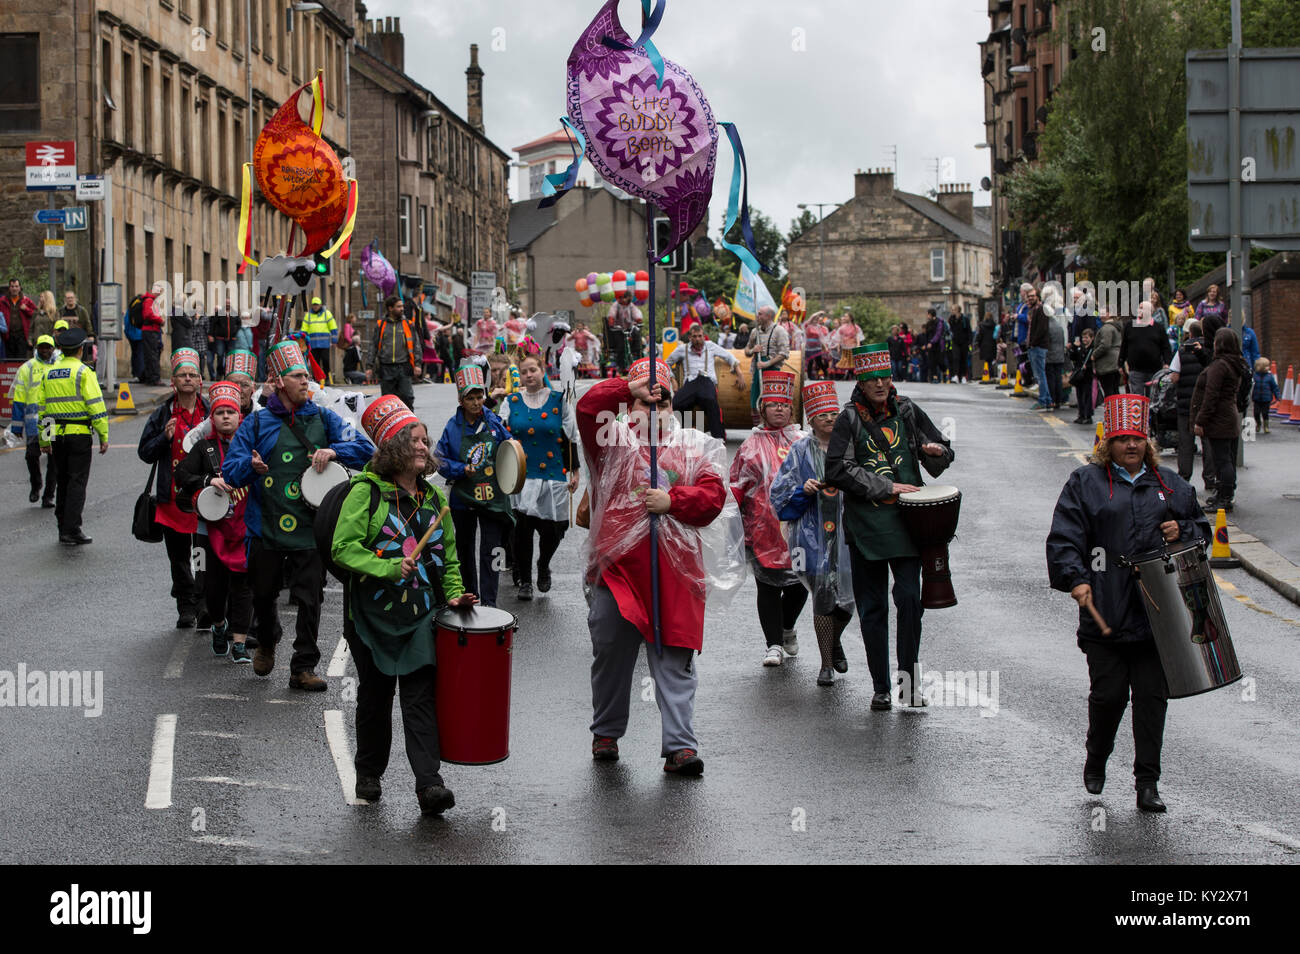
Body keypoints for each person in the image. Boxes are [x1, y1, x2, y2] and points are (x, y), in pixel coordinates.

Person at [1047, 394, 1211, 813]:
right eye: (1121, 439)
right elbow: (1065, 539)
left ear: (1147, 442)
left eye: (1137, 438)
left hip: (1158, 618)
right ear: (1108, 444)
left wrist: (1184, 530)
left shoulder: (1171, 484)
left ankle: (1147, 783)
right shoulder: (1085, 483)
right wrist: (1075, 580)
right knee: (1109, 695)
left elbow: (1200, 534)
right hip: (1104, 610)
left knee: (1152, 699)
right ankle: (1097, 756)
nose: (1131, 446)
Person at [576, 357, 730, 774]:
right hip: (618, 570)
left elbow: (714, 498)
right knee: (609, 652)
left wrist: (674, 501)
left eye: (661, 402)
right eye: (646, 402)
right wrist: (629, 387)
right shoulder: (609, 440)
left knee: (674, 658)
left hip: (676, 574)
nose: (653, 410)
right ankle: (605, 733)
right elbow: (587, 408)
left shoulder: (695, 445)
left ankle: (680, 746)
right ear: (631, 406)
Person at [333, 395, 477, 815]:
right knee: (375, 698)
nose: (422, 446)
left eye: (424, 440)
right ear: (394, 447)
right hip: (371, 618)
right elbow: (344, 549)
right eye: (413, 440)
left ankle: (429, 784)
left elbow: (448, 559)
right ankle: (369, 772)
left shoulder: (434, 502)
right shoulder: (366, 494)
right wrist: (390, 568)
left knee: (418, 698)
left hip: (419, 619)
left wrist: (453, 593)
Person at [223, 340, 373, 689]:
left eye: (306, 374)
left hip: (312, 528)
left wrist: (334, 450)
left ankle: (303, 666)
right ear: (278, 382)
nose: (306, 381)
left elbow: (365, 449)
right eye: (298, 375)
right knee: (262, 593)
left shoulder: (323, 417)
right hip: (265, 526)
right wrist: (250, 465)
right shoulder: (257, 424)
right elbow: (230, 470)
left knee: (310, 598)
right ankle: (269, 638)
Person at [825, 342, 954, 711]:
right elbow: (835, 469)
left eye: (885, 376)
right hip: (866, 526)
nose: (880, 383)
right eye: (872, 378)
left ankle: (909, 685)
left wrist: (937, 453)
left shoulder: (908, 411)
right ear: (860, 381)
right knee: (873, 607)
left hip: (909, 523)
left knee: (911, 600)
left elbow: (943, 452)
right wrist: (886, 486)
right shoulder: (848, 419)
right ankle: (881, 686)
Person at [770, 380, 854, 685]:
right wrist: (801, 490)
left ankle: (834, 640)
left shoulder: (851, 444)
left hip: (848, 532)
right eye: (822, 415)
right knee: (822, 596)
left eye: (833, 413)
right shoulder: (800, 449)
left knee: (848, 599)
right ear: (811, 420)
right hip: (811, 534)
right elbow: (779, 491)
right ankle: (826, 664)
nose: (830, 419)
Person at [173, 381, 256, 663]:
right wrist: (209, 480)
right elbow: (181, 475)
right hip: (210, 530)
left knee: (243, 584)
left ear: (239, 416)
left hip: (245, 527)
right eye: (219, 412)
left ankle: (240, 642)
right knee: (214, 586)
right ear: (212, 418)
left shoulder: (251, 446)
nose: (225, 417)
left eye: (230, 412)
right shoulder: (203, 448)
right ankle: (219, 625)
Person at [730, 370, 806, 667]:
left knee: (801, 584)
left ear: (791, 409)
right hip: (761, 529)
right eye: (773, 405)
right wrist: (731, 525)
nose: (779, 409)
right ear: (763, 409)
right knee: (769, 587)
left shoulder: (803, 441)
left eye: (784, 405)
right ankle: (773, 644)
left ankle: (787, 627)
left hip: (799, 528)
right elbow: (736, 485)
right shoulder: (750, 445)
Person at [138, 348, 211, 625]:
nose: (188, 379)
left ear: (200, 381)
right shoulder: (162, 414)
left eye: (193, 374)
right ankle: (186, 607)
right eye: (182, 375)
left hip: (203, 498)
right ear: (173, 381)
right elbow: (144, 453)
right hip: (171, 500)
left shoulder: (209, 411)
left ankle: (204, 603)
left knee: (201, 554)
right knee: (179, 557)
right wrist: (164, 438)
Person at [500, 352, 580, 600]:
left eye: (533, 370)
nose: (529, 375)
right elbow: (501, 438)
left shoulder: (558, 400)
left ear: (542, 369)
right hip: (522, 475)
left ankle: (543, 564)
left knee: (554, 530)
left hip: (555, 473)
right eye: (523, 372)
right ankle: (526, 581)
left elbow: (571, 437)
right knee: (522, 530)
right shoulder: (510, 402)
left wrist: (575, 470)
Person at [435, 363, 514, 608]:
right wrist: (461, 469)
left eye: (480, 396)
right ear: (461, 400)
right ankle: (471, 596)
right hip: (463, 498)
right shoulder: (452, 427)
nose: (477, 402)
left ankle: (490, 603)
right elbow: (439, 460)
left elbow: (510, 447)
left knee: (492, 551)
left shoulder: (492, 421)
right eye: (471, 398)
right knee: (464, 549)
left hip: (492, 496)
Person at [36, 326, 109, 545]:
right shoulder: (83, 372)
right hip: (78, 435)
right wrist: (103, 435)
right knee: (77, 482)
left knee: (63, 481)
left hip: (57, 436)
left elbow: (43, 410)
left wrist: (45, 439)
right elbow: (96, 406)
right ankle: (72, 528)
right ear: (80, 350)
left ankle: (62, 528)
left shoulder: (49, 373)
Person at [1193, 328, 1250, 513]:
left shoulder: (1220, 365)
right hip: (1229, 416)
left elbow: (1211, 395)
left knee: (1222, 459)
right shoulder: (1235, 363)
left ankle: (1224, 498)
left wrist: (1201, 420)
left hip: (1219, 418)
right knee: (1227, 458)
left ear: (1219, 344)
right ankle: (1224, 493)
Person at [666, 321, 746, 439]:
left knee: (711, 402)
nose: (698, 339)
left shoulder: (711, 346)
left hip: (707, 381)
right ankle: (682, 435)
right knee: (676, 403)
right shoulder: (683, 349)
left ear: (704, 337)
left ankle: (718, 438)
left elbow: (729, 357)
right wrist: (673, 380)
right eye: (694, 336)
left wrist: (740, 374)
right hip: (691, 382)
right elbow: (666, 363)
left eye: (700, 336)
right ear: (690, 337)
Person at [8, 333, 58, 506]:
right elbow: (19, 399)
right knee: (31, 456)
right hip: (32, 422)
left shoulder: (59, 367)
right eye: (41, 347)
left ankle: (49, 495)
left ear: (53, 349)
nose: (45, 350)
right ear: (36, 349)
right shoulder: (27, 368)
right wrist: (16, 427)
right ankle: (36, 485)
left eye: (48, 347)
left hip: (50, 420)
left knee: (53, 459)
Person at [1169, 319, 1211, 489]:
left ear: (1190, 333)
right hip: (1205, 403)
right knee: (1207, 442)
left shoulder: (1182, 350)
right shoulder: (1209, 349)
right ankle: (1209, 478)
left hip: (1186, 403)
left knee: (1186, 442)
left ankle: (1184, 478)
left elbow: (1175, 376)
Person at [369, 294, 421, 410]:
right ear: (390, 308)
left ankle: (409, 424)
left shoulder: (408, 324)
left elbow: (416, 345)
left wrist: (417, 364)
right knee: (388, 401)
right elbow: (373, 346)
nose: (402, 309)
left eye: (402, 306)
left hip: (403, 366)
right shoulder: (381, 325)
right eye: (398, 307)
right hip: (386, 367)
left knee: (407, 397)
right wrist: (369, 366)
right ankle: (391, 425)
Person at [744, 305, 790, 417]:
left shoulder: (779, 331)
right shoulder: (755, 331)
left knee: (771, 403)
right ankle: (758, 429)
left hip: (773, 371)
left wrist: (766, 364)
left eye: (760, 314)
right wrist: (752, 350)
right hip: (757, 370)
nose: (757, 316)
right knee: (755, 403)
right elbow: (746, 350)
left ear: (769, 316)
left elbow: (784, 353)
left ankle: (770, 428)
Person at [1120, 301, 1171, 398]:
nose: (1140, 310)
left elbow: (1165, 347)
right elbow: (1124, 345)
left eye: (1143, 308)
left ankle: (1150, 413)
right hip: (1135, 368)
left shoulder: (1158, 328)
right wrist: (1120, 363)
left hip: (1154, 369)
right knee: (1137, 398)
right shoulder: (1130, 326)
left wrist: (1167, 362)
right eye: (1139, 307)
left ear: (1150, 311)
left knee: (1152, 398)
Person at [605, 289, 643, 375]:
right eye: (626, 298)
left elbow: (636, 313)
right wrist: (611, 321)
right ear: (622, 298)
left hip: (629, 328)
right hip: (618, 329)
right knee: (620, 345)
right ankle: (620, 365)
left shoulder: (631, 306)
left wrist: (638, 319)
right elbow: (612, 314)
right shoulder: (616, 305)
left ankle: (636, 355)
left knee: (636, 334)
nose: (627, 301)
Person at [1026, 287, 1052, 410]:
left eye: (1032, 296)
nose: (1030, 298)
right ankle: (1047, 399)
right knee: (1040, 374)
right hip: (1036, 346)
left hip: (1038, 347)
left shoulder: (1041, 310)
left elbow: (1042, 329)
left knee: (1040, 374)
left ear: (1038, 297)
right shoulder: (1035, 310)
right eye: (1029, 296)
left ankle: (1043, 400)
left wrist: (1033, 343)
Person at [301, 296, 338, 383]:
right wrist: (302, 340)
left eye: (317, 305)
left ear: (320, 305)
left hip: (324, 343)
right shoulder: (308, 316)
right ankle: (316, 379)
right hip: (313, 344)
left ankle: (327, 378)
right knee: (315, 363)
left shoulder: (327, 314)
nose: (315, 306)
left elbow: (333, 328)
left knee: (326, 361)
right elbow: (304, 330)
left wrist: (334, 341)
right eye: (314, 305)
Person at [1, 278, 38, 361]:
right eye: (12, 286)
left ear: (20, 288)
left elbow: (35, 315)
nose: (14, 288)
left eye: (16, 286)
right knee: (9, 360)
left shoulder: (26, 300)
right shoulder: (2, 301)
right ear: (9, 288)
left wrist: (26, 309)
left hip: (22, 334)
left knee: (21, 359)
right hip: (8, 335)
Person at [1092, 308, 1123, 398]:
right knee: (1115, 389)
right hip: (1116, 361)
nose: (1100, 315)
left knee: (1109, 391)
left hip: (1107, 364)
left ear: (1109, 314)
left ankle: (1110, 411)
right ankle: (1116, 410)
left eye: (1103, 313)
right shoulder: (1117, 326)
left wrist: (1094, 354)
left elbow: (1105, 345)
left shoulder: (1107, 328)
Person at [1068, 326, 1096, 425]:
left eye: (1087, 338)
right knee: (1079, 395)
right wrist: (1074, 347)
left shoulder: (1093, 349)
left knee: (1087, 395)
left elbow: (1092, 362)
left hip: (1087, 375)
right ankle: (1081, 414)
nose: (1084, 340)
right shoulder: (1080, 347)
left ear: (1092, 338)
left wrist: (1087, 366)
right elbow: (1073, 357)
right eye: (1083, 338)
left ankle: (1087, 415)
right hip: (1079, 375)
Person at [206, 302, 239, 386]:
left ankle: (227, 374)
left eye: (229, 303)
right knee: (220, 355)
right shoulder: (219, 313)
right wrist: (211, 334)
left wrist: (235, 332)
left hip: (231, 339)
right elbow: (213, 324)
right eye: (226, 303)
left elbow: (239, 324)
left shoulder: (234, 313)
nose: (228, 304)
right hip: (220, 338)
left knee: (229, 358)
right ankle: (219, 372)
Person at [140, 283, 166, 385]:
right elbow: (148, 314)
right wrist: (160, 320)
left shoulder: (150, 301)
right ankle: (154, 378)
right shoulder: (149, 301)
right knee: (152, 355)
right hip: (150, 331)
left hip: (151, 330)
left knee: (151, 354)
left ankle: (150, 377)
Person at [1046, 301, 1067, 410]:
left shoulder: (1048, 326)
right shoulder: (1058, 325)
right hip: (1059, 355)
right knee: (1058, 378)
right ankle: (1059, 400)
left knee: (1051, 379)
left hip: (1050, 356)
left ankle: (1052, 399)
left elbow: (1047, 342)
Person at [1252, 357, 1280, 435]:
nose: (1268, 367)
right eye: (1266, 366)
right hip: (1257, 398)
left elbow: (1274, 387)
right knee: (1256, 413)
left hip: (1266, 399)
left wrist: (1277, 396)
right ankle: (1258, 423)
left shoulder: (1270, 376)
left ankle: (1266, 426)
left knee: (1265, 413)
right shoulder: (1255, 376)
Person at [337, 317, 368, 385]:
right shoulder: (354, 349)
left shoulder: (350, 350)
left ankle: (353, 381)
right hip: (349, 371)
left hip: (348, 370)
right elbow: (358, 359)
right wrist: (353, 343)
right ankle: (354, 382)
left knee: (360, 376)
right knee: (364, 376)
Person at [949, 305, 972, 383]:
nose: (952, 311)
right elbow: (951, 329)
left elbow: (969, 331)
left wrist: (969, 342)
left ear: (958, 310)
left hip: (964, 342)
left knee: (963, 359)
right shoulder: (951, 319)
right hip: (955, 341)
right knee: (955, 358)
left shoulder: (965, 319)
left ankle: (963, 376)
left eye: (953, 309)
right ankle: (955, 375)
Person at [976, 311, 997, 381]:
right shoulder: (994, 325)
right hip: (992, 344)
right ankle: (992, 375)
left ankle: (986, 375)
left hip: (984, 345)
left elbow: (979, 336)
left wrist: (979, 344)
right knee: (990, 361)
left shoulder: (982, 325)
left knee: (987, 361)